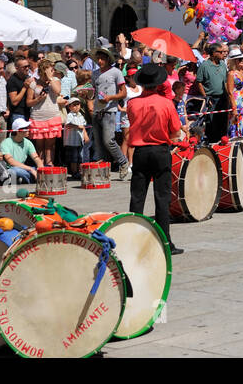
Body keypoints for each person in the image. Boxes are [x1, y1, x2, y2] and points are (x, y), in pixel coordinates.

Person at [126, 62, 184, 255]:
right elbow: (175, 130)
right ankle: (165, 241)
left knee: (137, 197)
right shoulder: (166, 103)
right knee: (162, 197)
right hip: (160, 150)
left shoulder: (132, 103)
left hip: (140, 152)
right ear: (158, 83)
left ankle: (133, 238)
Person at [92, 49, 129, 179]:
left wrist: (110, 98)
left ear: (108, 59)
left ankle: (123, 162)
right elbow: (93, 92)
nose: (100, 61)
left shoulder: (116, 72)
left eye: (102, 58)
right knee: (99, 144)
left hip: (109, 111)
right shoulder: (95, 74)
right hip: (97, 110)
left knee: (109, 140)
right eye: (98, 58)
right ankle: (103, 172)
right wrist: (86, 94)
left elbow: (124, 93)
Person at [26, 59, 64, 168]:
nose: (53, 71)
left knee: (50, 145)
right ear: (43, 71)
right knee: (40, 145)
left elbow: (57, 91)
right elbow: (28, 102)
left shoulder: (55, 80)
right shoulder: (33, 83)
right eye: (50, 70)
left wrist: (50, 78)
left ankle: (49, 163)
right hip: (37, 117)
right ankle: (40, 165)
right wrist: (38, 99)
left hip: (52, 116)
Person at [195, 42, 230, 144]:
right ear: (214, 53)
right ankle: (212, 144)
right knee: (212, 123)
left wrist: (228, 96)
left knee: (223, 122)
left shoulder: (223, 65)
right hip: (211, 98)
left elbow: (226, 81)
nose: (223, 54)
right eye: (220, 52)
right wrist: (205, 97)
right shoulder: (205, 66)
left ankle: (222, 143)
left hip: (223, 98)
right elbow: (199, 82)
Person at [0, 118, 40, 185]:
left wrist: (42, 170)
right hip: (11, 169)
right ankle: (32, 179)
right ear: (18, 131)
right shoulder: (6, 143)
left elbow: (36, 158)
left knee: (47, 167)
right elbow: (11, 162)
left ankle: (30, 178)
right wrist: (31, 170)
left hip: (23, 168)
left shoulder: (28, 142)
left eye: (27, 127)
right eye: (25, 128)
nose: (28, 129)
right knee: (15, 170)